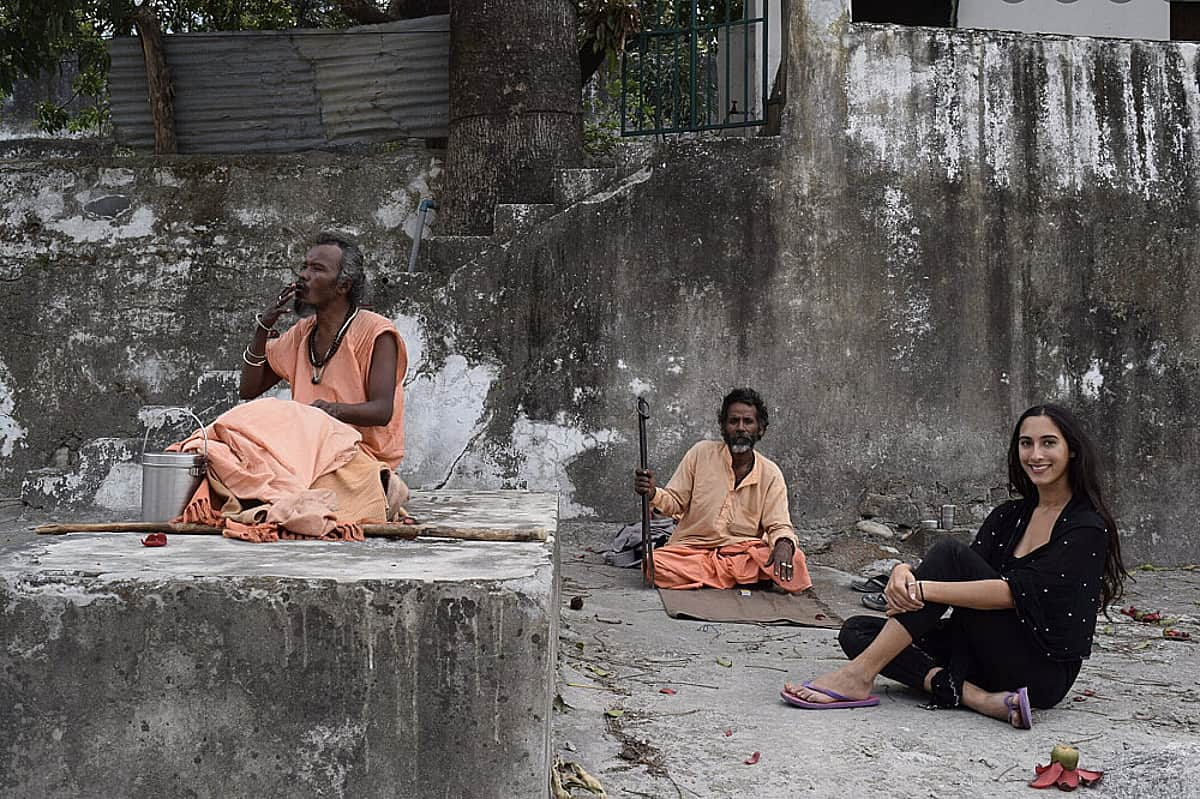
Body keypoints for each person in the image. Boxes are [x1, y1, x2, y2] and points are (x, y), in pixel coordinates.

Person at [781, 404, 1127, 729]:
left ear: (1072, 450)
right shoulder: (1009, 516)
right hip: (986, 655)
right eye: (1026, 443)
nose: (1035, 455)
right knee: (857, 632)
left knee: (946, 555)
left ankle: (858, 676)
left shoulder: (1086, 528)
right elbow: (964, 573)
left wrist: (921, 588)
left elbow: (1010, 593)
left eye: (1048, 443)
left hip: (1039, 669)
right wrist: (905, 571)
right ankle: (977, 697)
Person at [239, 231, 408, 474]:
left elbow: (382, 411)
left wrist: (329, 411)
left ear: (343, 286)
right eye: (305, 266)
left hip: (359, 458)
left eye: (317, 269)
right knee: (231, 446)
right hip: (308, 454)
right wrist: (263, 328)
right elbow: (249, 389)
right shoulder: (302, 333)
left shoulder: (377, 333)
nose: (304, 276)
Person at [633, 388, 812, 593]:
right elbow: (674, 502)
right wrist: (652, 492)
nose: (740, 428)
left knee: (795, 560)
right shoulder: (701, 453)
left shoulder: (771, 474)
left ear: (760, 429)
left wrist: (784, 544)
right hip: (694, 550)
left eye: (748, 422)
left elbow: (779, 524)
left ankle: (714, 577)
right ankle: (741, 578)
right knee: (653, 564)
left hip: (741, 552)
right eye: (733, 421)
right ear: (723, 427)